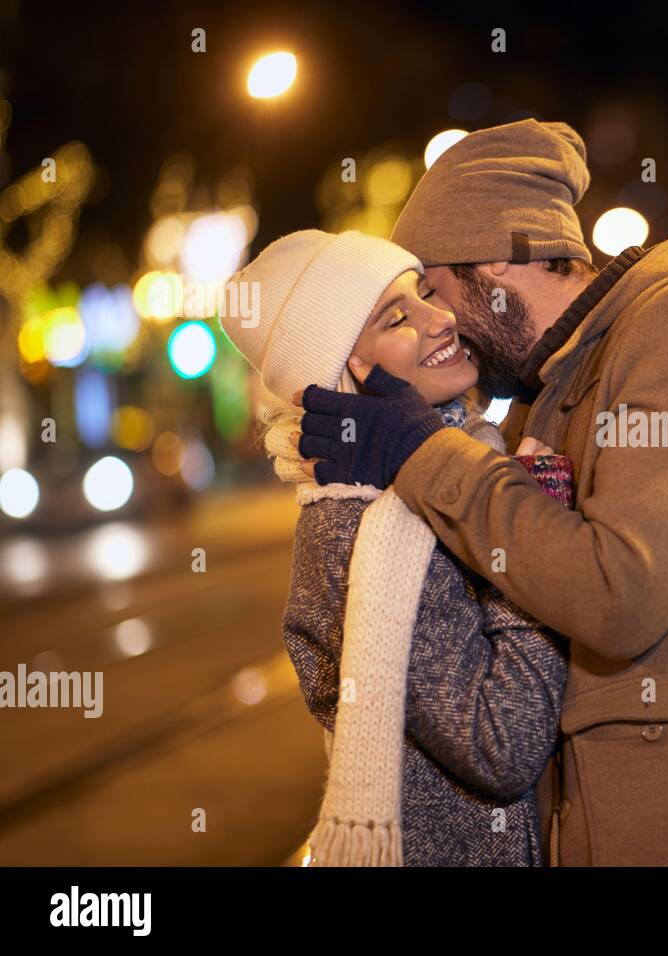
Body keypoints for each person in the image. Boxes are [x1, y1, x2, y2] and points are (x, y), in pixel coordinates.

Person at [294, 119, 668, 866]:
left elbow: (620, 592)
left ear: (496, 265)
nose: (444, 325)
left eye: (440, 292)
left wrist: (422, 453)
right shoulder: (559, 388)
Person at [219, 229, 572, 866]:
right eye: (396, 317)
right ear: (346, 377)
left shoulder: (465, 462)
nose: (442, 319)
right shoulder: (360, 528)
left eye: (424, 294)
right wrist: (532, 531)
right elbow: (501, 741)